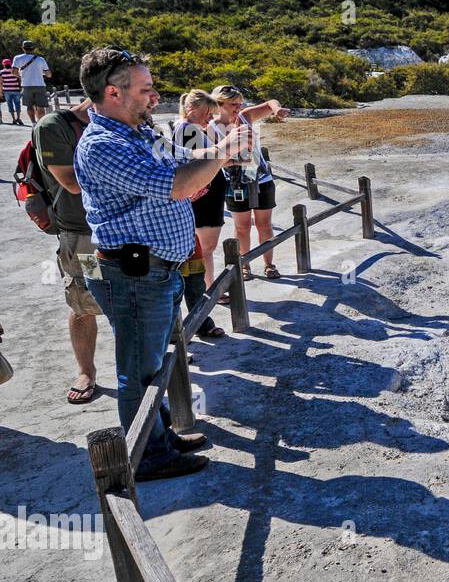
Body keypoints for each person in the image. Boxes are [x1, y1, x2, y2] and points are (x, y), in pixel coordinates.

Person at [73, 49, 251, 481]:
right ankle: (147, 455)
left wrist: (206, 163)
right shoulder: (103, 146)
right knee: (137, 370)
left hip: (156, 270)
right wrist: (225, 151)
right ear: (113, 93)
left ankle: (160, 435)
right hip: (134, 274)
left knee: (154, 361)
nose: (156, 97)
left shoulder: (139, 132)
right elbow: (176, 183)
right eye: (146, 89)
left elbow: (185, 167)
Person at [32, 98, 101, 403]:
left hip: (127, 232)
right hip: (83, 234)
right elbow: (71, 183)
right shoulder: (54, 127)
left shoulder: (129, 120)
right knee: (84, 303)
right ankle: (86, 371)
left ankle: (151, 365)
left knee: (139, 298)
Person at [210, 85, 289, 280]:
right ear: (219, 105)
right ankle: (244, 265)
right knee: (242, 227)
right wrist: (237, 160)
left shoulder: (245, 116)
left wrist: (278, 109)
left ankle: (269, 265)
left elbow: (270, 104)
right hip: (235, 184)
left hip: (261, 179)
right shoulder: (211, 128)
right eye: (233, 104)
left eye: (240, 103)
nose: (238, 108)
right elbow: (215, 159)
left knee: (264, 225)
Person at [173, 90, 226, 292]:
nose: (210, 118)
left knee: (203, 249)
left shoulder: (187, 128)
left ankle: (207, 288)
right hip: (205, 198)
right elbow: (197, 162)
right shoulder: (188, 130)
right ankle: (209, 290)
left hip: (206, 196)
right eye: (207, 113)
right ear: (191, 109)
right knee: (206, 249)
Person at [12, 41, 52, 124]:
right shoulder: (41, 59)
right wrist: (41, 73)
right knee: (40, 107)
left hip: (26, 85)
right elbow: (49, 74)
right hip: (40, 85)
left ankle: (33, 123)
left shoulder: (18, 58)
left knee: (29, 106)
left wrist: (21, 76)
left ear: (23, 48)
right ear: (34, 48)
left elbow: (13, 72)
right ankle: (41, 123)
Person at [1, 58, 22, 124]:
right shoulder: (15, 71)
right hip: (16, 90)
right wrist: (21, 88)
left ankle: (13, 119)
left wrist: (1, 92)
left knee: (10, 105)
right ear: (11, 64)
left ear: (3, 65)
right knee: (17, 104)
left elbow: (1, 83)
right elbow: (20, 80)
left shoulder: (1, 72)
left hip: (7, 91)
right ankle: (18, 118)